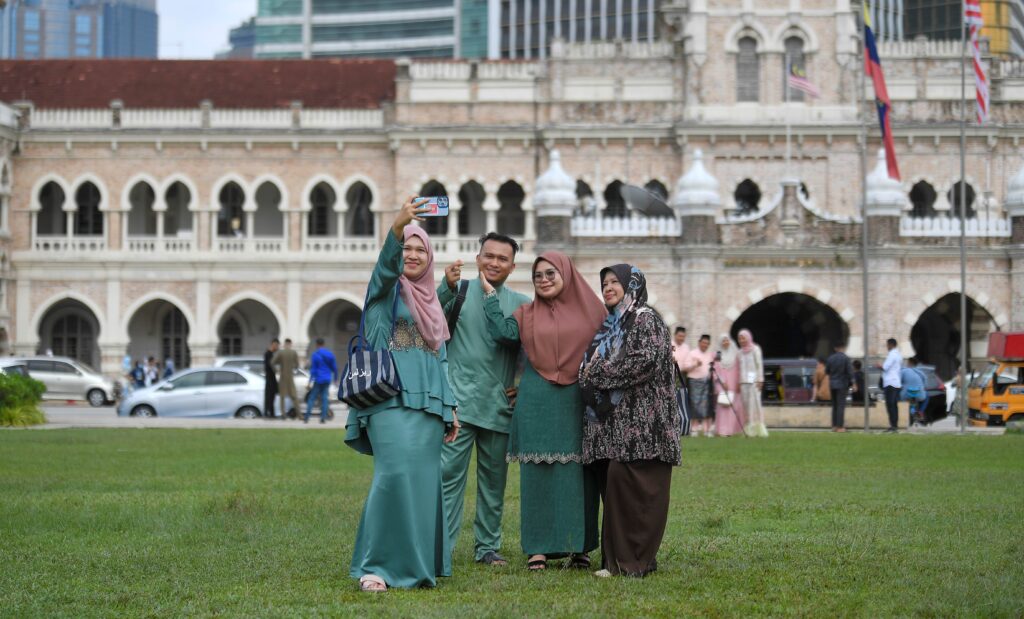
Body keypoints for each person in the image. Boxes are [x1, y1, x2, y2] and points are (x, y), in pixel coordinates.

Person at [346, 197, 459, 592]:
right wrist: (399, 227)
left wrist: (451, 408)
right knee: (392, 475)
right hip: (387, 398)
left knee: (424, 480)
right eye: (407, 247)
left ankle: (418, 564)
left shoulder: (431, 304)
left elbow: (440, 358)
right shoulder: (385, 290)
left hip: (428, 403)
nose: (412, 255)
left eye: (419, 249)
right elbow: (386, 265)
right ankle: (376, 567)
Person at [483, 251, 605, 571]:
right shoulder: (527, 313)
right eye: (538, 276)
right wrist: (491, 297)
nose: (544, 280)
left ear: (566, 274)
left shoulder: (593, 313)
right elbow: (503, 334)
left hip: (578, 399)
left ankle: (578, 546)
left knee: (580, 475)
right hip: (537, 400)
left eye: (551, 273)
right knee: (536, 473)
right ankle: (537, 548)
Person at [579, 264, 681, 578]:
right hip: (619, 427)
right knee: (618, 488)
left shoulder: (645, 318)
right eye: (604, 282)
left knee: (636, 488)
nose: (608, 287)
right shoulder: (613, 324)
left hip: (645, 425)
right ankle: (619, 561)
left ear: (631, 285)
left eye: (615, 282)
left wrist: (595, 374)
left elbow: (643, 363)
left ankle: (632, 561)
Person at [438, 232, 530, 567]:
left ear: (513, 266)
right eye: (488, 256)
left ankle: (487, 548)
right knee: (448, 478)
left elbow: (533, 349)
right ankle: (441, 547)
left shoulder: (521, 304)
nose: (494, 263)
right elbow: (429, 322)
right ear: (477, 259)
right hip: (458, 405)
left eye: (502, 258)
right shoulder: (458, 291)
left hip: (498, 407)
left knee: (494, 483)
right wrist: (445, 287)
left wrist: (525, 385)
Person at [681, 334, 715, 437]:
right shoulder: (692, 353)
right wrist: (696, 364)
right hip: (694, 381)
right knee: (695, 405)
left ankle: (706, 429)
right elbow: (685, 367)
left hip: (706, 382)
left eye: (707, 343)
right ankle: (694, 429)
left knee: (706, 405)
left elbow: (713, 369)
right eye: (703, 342)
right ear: (699, 342)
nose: (705, 345)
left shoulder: (710, 354)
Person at [737, 329, 767, 437]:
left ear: (748, 338)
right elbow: (738, 369)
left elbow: (759, 365)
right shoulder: (739, 353)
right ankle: (749, 430)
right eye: (740, 338)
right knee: (746, 406)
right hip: (743, 382)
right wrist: (738, 382)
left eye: (743, 338)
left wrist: (760, 379)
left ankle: (758, 429)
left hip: (754, 382)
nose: (741, 340)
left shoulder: (755, 349)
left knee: (755, 405)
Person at [713, 334, 745, 437]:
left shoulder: (735, 354)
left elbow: (739, 370)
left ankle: (731, 430)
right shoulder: (718, 354)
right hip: (722, 384)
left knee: (733, 408)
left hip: (734, 384)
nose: (725, 342)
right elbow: (715, 370)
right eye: (723, 341)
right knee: (723, 406)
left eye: (727, 340)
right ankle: (722, 430)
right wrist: (722, 382)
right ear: (720, 342)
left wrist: (739, 382)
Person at [305, 338, 336, 424]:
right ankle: (323, 417)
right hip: (327, 379)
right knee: (324, 398)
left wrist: (309, 382)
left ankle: (307, 417)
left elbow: (313, 370)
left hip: (318, 379)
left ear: (317, 345)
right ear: (323, 344)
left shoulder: (315, 355)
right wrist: (336, 379)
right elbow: (334, 368)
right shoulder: (329, 354)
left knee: (312, 398)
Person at [825, 343, 853, 432]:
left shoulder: (830, 358)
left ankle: (834, 426)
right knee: (841, 405)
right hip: (842, 384)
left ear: (835, 348)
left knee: (835, 405)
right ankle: (840, 427)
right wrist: (854, 382)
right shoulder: (846, 358)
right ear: (843, 348)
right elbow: (850, 372)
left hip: (832, 384)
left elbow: (827, 371)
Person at [272, 339, 299, 420]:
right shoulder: (293, 352)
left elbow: (272, 362)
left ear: (284, 344)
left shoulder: (280, 352)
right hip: (290, 377)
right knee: (294, 396)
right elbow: (297, 365)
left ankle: (283, 414)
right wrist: (293, 369)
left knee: (282, 397)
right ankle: (299, 414)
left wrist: (277, 370)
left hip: (283, 377)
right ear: (290, 344)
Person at [880, 338, 902, 433]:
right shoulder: (898, 355)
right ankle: (894, 425)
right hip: (896, 382)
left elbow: (885, 367)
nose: (887, 347)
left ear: (890, 345)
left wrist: (878, 365)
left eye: (887, 345)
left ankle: (893, 426)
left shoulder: (892, 355)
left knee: (890, 405)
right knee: (894, 405)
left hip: (890, 383)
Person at [900, 357, 928, 426]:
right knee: (927, 395)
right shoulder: (921, 373)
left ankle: (902, 414)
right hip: (919, 394)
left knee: (899, 397)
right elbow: (925, 384)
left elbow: (899, 382)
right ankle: (921, 411)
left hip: (907, 394)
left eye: (907, 362)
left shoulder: (903, 371)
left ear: (910, 363)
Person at [263, 339, 280, 418]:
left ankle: (271, 413)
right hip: (270, 378)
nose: (277, 347)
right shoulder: (268, 354)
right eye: (277, 345)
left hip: (271, 378)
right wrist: (277, 371)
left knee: (272, 396)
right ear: (273, 344)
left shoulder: (271, 354)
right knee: (269, 396)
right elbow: (270, 366)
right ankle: (268, 413)